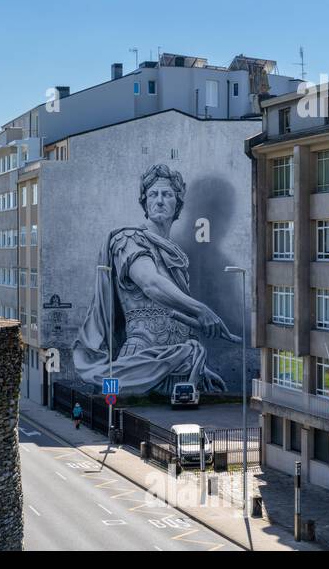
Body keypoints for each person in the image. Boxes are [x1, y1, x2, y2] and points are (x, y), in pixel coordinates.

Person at [72, 163, 239, 397]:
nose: (159, 200)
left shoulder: (177, 254)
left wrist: (199, 365)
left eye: (167, 194)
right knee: (140, 426)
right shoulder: (127, 239)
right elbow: (151, 283)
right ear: (145, 202)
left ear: (177, 203)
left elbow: (179, 318)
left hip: (182, 366)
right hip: (140, 363)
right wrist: (202, 310)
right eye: (153, 194)